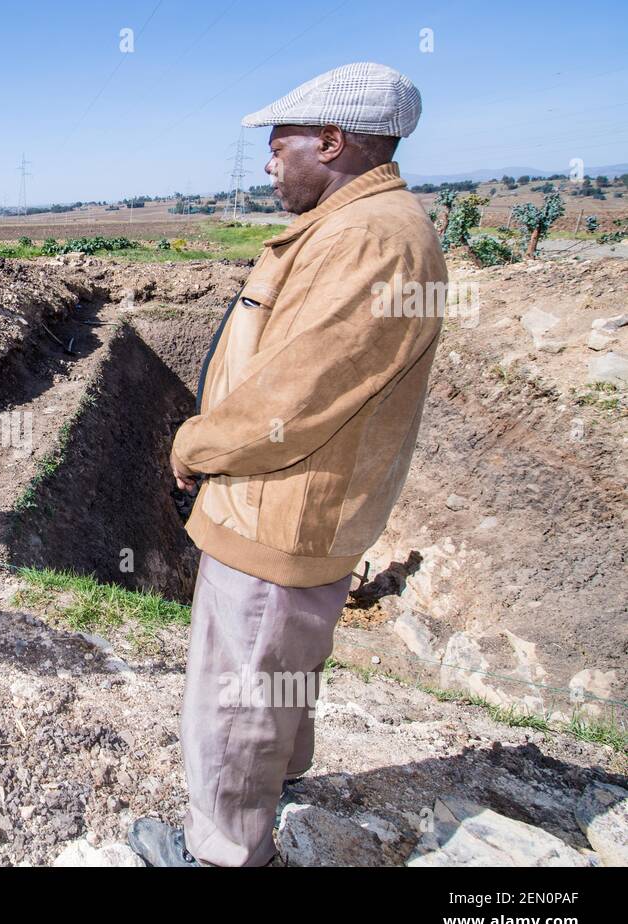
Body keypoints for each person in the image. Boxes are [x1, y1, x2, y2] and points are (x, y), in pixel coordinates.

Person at [129, 63, 448, 866]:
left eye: (281, 148)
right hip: (287, 508)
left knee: (238, 696)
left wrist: (192, 445)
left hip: (284, 511)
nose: (269, 164)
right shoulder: (357, 227)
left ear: (333, 142)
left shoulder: (370, 240)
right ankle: (273, 790)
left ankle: (224, 849)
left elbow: (294, 400)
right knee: (275, 681)